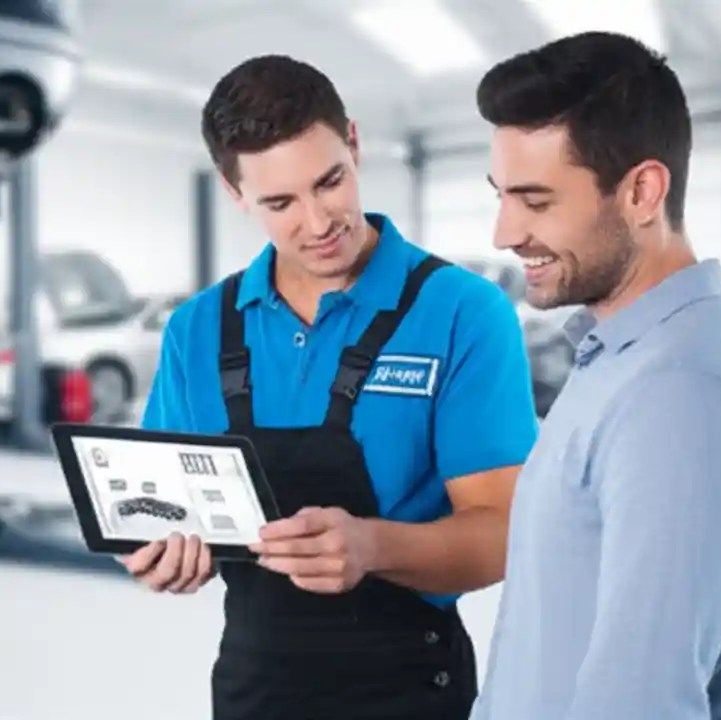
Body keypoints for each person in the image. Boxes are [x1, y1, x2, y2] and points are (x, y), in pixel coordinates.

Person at [119, 54, 539, 719]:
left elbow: (506, 534)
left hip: (409, 692)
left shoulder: (463, 312)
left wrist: (374, 547)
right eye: (280, 203)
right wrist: (156, 554)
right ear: (235, 194)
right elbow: (153, 515)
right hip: (254, 691)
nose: (318, 222)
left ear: (354, 141)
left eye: (330, 182)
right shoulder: (197, 330)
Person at [470, 31, 721, 720]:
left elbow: (640, 700)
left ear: (642, 192)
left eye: (535, 201)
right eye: (500, 196)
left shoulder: (683, 391)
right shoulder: (622, 356)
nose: (504, 233)